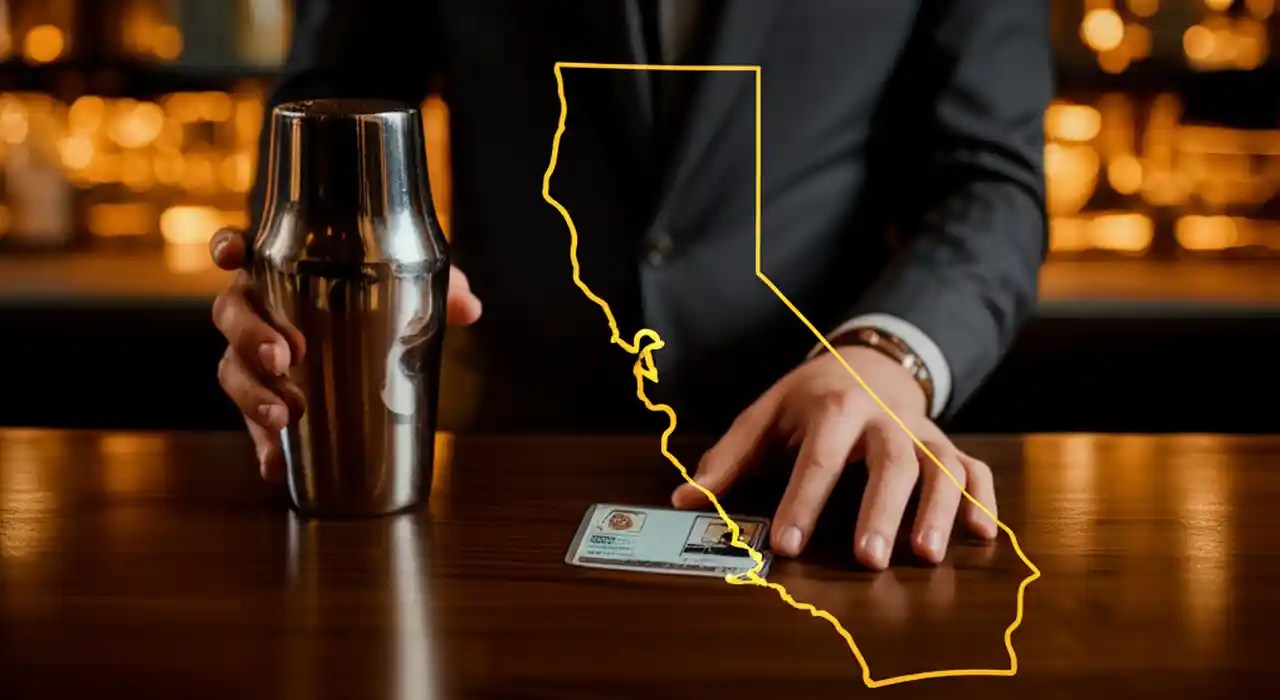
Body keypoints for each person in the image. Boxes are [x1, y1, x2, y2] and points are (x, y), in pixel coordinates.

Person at [209, 0, 1052, 571]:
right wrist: (299, 295)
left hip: (820, 479)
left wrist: (886, 353)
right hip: (506, 477)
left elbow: (989, 182)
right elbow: (330, 104)